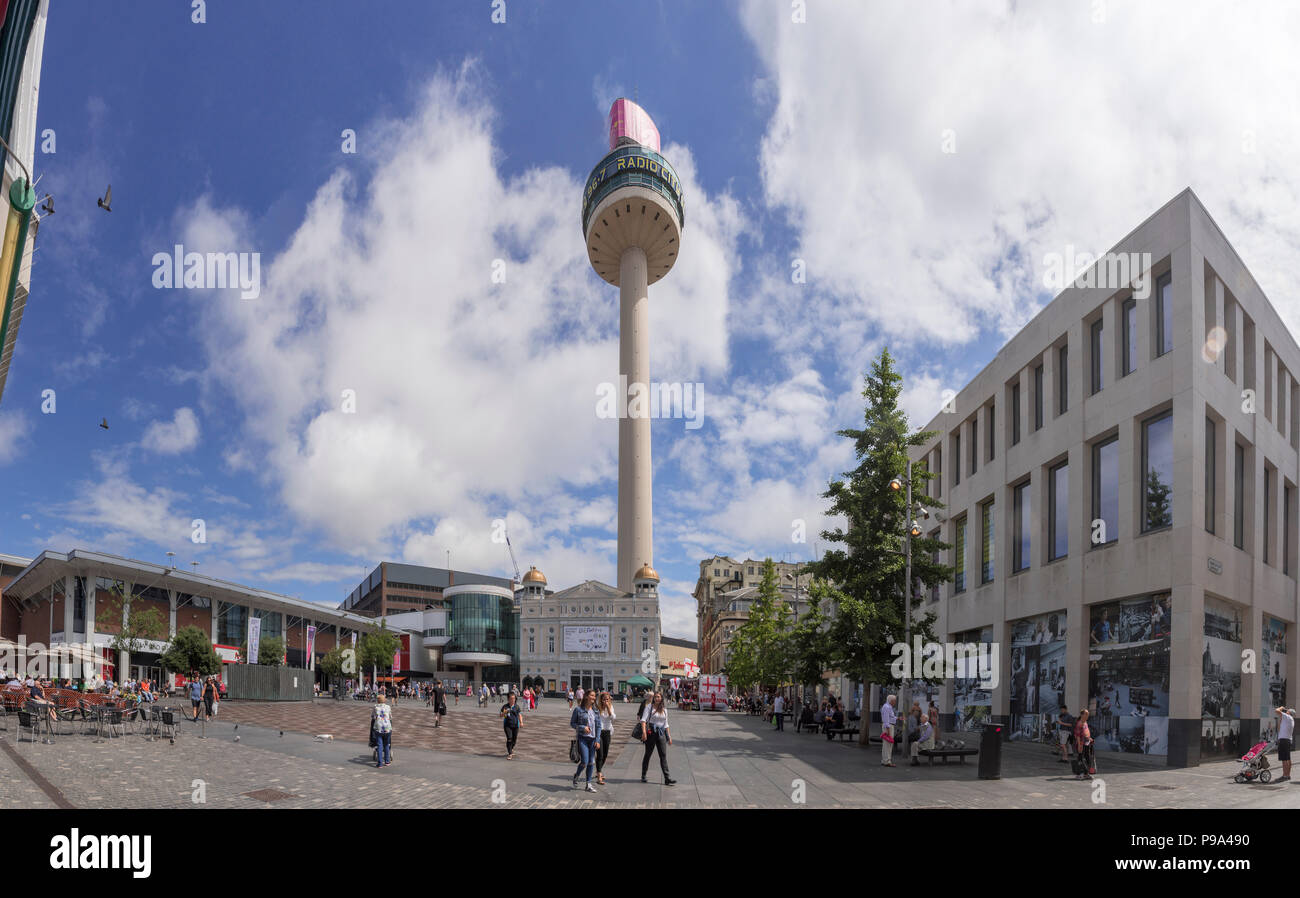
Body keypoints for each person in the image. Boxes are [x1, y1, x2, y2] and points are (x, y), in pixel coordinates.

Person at [639, 691, 675, 785]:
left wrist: (669, 737)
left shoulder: (665, 710)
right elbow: (643, 720)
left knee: (663, 756)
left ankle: (667, 778)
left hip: (661, 733)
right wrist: (644, 732)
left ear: (662, 698)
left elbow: (666, 724)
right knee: (648, 754)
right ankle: (643, 775)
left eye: (659, 697)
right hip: (651, 733)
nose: (657, 698)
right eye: (655, 697)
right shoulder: (649, 707)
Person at [570, 690, 601, 792]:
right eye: (592, 695)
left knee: (591, 762)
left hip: (592, 740)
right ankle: (577, 775)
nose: (594, 697)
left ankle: (588, 785)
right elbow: (572, 723)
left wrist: (597, 740)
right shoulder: (578, 710)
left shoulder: (596, 711)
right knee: (584, 761)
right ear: (586, 696)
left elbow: (599, 727)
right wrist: (582, 727)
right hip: (583, 738)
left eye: (594, 696)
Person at [500, 691, 524, 759]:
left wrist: (521, 722)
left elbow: (519, 715)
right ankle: (510, 753)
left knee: (514, 739)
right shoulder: (505, 706)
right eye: (511, 698)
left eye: (514, 698)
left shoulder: (516, 706)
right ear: (508, 699)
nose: (513, 700)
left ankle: (511, 748)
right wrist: (504, 712)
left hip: (516, 725)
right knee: (509, 738)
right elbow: (501, 715)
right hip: (507, 725)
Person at [372, 694, 393, 768]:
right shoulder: (388, 707)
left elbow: (373, 717)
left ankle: (380, 763)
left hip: (379, 728)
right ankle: (387, 761)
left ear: (378, 700)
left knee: (380, 745)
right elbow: (390, 717)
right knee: (387, 744)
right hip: (387, 728)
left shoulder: (375, 707)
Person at [1073, 709, 1094, 780]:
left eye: (1088, 714)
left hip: (1086, 743)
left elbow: (1085, 732)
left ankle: (1086, 773)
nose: (1087, 715)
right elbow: (1078, 735)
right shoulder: (1079, 723)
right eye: (1086, 714)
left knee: (1087, 758)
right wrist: (1079, 745)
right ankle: (1079, 774)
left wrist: (1089, 738)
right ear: (1082, 715)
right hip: (1081, 744)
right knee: (1080, 758)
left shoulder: (1085, 722)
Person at [1276, 706, 1295, 783]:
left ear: (1288, 712)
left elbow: (1276, 710)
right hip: (1287, 739)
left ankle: (1285, 775)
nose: (1285, 711)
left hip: (1284, 740)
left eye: (1287, 711)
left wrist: (1281, 707)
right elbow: (1279, 727)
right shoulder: (1291, 719)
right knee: (1288, 758)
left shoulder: (1287, 717)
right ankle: (1288, 775)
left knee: (1284, 759)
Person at [880, 694, 898, 767]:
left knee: (886, 744)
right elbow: (886, 719)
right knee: (888, 744)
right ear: (891, 700)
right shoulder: (887, 707)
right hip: (889, 726)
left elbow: (890, 717)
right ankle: (887, 761)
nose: (895, 702)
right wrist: (888, 730)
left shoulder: (887, 706)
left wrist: (896, 718)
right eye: (894, 701)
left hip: (888, 726)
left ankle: (885, 760)